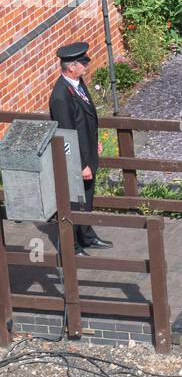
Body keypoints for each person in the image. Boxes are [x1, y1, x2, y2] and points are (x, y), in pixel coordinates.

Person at [48, 42, 111, 254]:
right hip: (76, 160)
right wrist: (81, 165)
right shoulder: (60, 97)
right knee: (75, 201)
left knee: (87, 197)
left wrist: (95, 142)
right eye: (83, 62)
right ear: (71, 67)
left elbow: (86, 117)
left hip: (87, 150)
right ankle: (71, 244)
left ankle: (86, 236)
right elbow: (66, 134)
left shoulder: (77, 82)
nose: (87, 64)